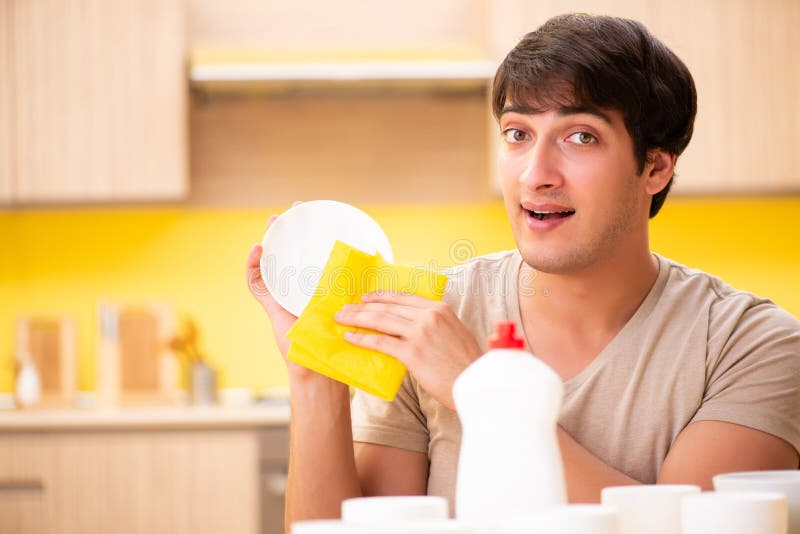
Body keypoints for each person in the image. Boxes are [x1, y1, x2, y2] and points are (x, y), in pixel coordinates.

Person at [246, 13, 800, 528]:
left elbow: (685, 529)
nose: (536, 174)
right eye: (518, 134)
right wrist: (313, 375)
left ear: (655, 166)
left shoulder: (751, 346)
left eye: (581, 136)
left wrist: (480, 390)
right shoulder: (436, 314)